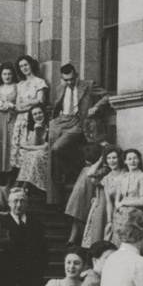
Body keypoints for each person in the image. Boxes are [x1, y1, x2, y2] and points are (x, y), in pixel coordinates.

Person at [47, 63, 96, 206]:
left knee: (56, 148)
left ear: (76, 75)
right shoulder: (60, 88)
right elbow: (56, 106)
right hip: (61, 122)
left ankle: (75, 166)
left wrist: (95, 107)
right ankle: (55, 199)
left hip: (78, 123)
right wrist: (52, 122)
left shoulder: (89, 85)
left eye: (71, 79)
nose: (69, 82)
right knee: (53, 157)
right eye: (65, 79)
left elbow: (106, 96)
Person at [66, 144, 110, 246]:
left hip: (87, 198)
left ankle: (76, 240)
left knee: (80, 217)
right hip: (80, 198)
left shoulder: (97, 169)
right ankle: (72, 240)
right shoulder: (87, 169)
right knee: (77, 216)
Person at [14, 105, 50, 194]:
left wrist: (28, 147)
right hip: (37, 153)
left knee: (34, 154)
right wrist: (36, 130)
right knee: (31, 154)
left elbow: (46, 147)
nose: (38, 116)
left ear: (44, 113)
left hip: (48, 154)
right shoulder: (33, 126)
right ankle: (22, 184)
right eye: (35, 114)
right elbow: (33, 144)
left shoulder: (50, 126)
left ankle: (22, 185)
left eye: (40, 113)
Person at [113, 148, 143, 212]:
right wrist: (119, 206)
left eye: (135, 158)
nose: (132, 161)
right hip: (122, 212)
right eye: (129, 159)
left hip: (136, 212)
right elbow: (117, 200)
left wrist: (123, 203)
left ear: (139, 160)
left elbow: (142, 202)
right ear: (125, 161)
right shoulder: (123, 177)